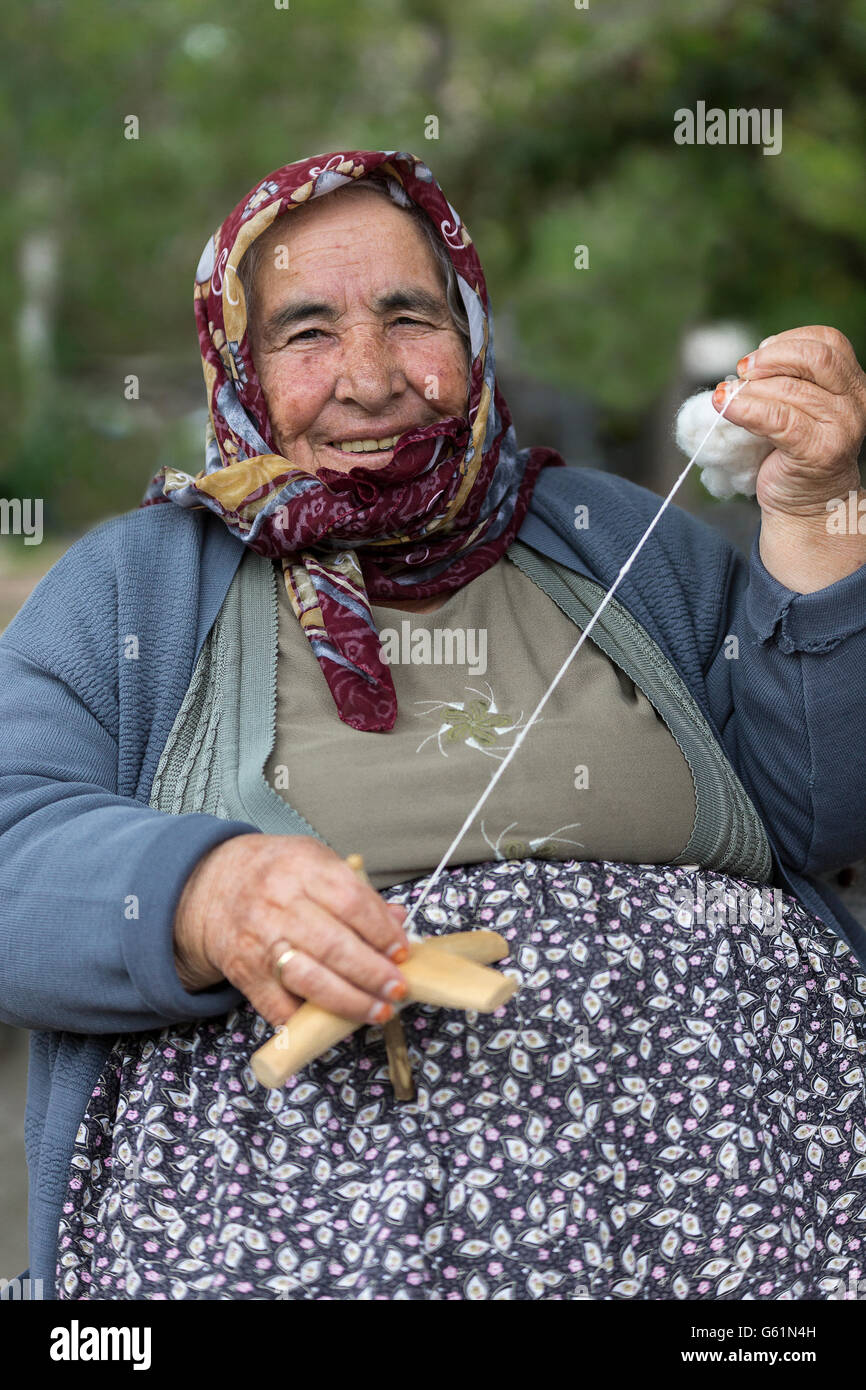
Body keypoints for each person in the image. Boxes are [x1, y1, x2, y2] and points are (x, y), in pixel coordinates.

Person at [1, 149, 865, 1302]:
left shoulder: (621, 542)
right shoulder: (131, 592)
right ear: (235, 364)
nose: (368, 379)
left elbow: (821, 816)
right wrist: (210, 897)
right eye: (305, 333)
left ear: (468, 331)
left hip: (742, 1221)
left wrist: (814, 522)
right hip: (297, 1234)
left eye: (410, 317)